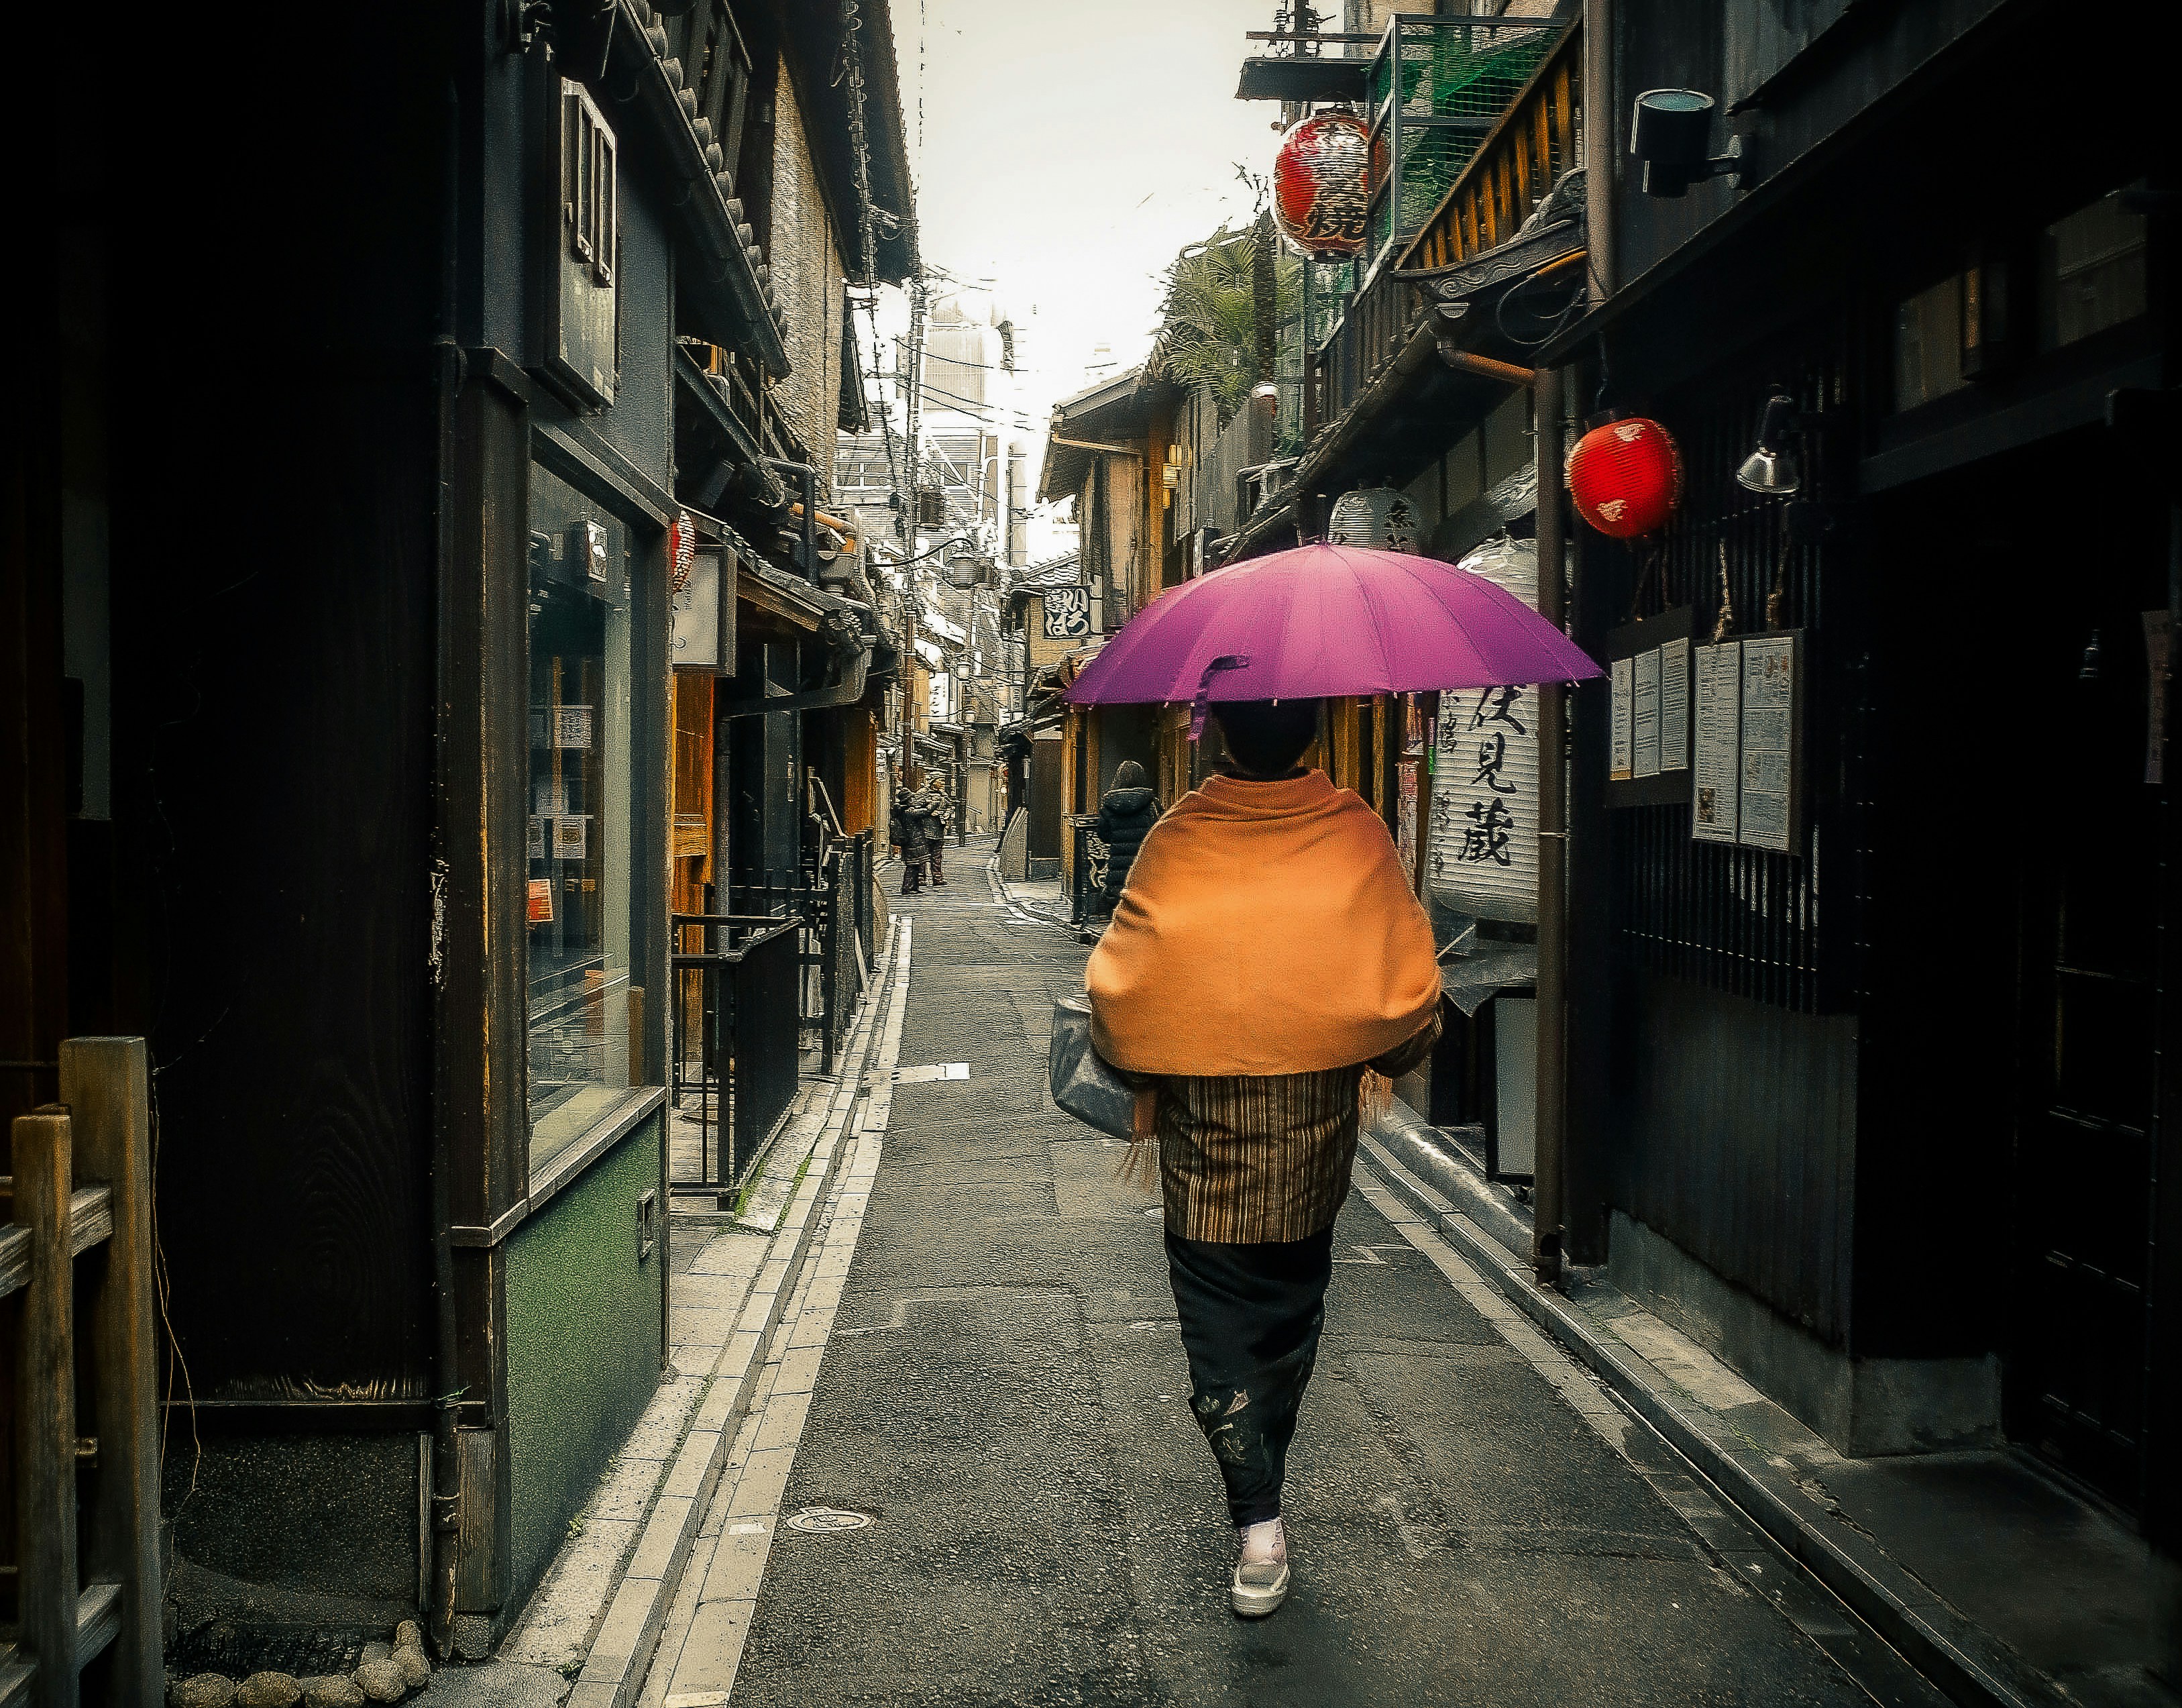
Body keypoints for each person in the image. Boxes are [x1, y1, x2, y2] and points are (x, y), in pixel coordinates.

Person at [1084, 698, 1441, 1619]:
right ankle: (1262, 1509)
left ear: (1221, 737)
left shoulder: (1178, 835)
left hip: (1202, 1149)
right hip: (1310, 1148)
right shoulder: (1354, 830)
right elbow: (1403, 1005)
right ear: (1316, 738)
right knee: (1288, 1322)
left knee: (1218, 1339)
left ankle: (1258, 1521)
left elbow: (1121, 993)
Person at [1093, 759, 1158, 916]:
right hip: (1143, 867)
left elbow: (1103, 835)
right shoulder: (1151, 804)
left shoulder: (1109, 805)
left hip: (1118, 869)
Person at [890, 782, 930, 895]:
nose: (913, 800)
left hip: (910, 840)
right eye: (911, 798)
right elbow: (926, 812)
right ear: (908, 800)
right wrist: (934, 803)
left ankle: (913, 887)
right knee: (912, 866)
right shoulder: (909, 812)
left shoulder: (903, 811)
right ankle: (907, 888)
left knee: (916, 865)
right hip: (912, 841)